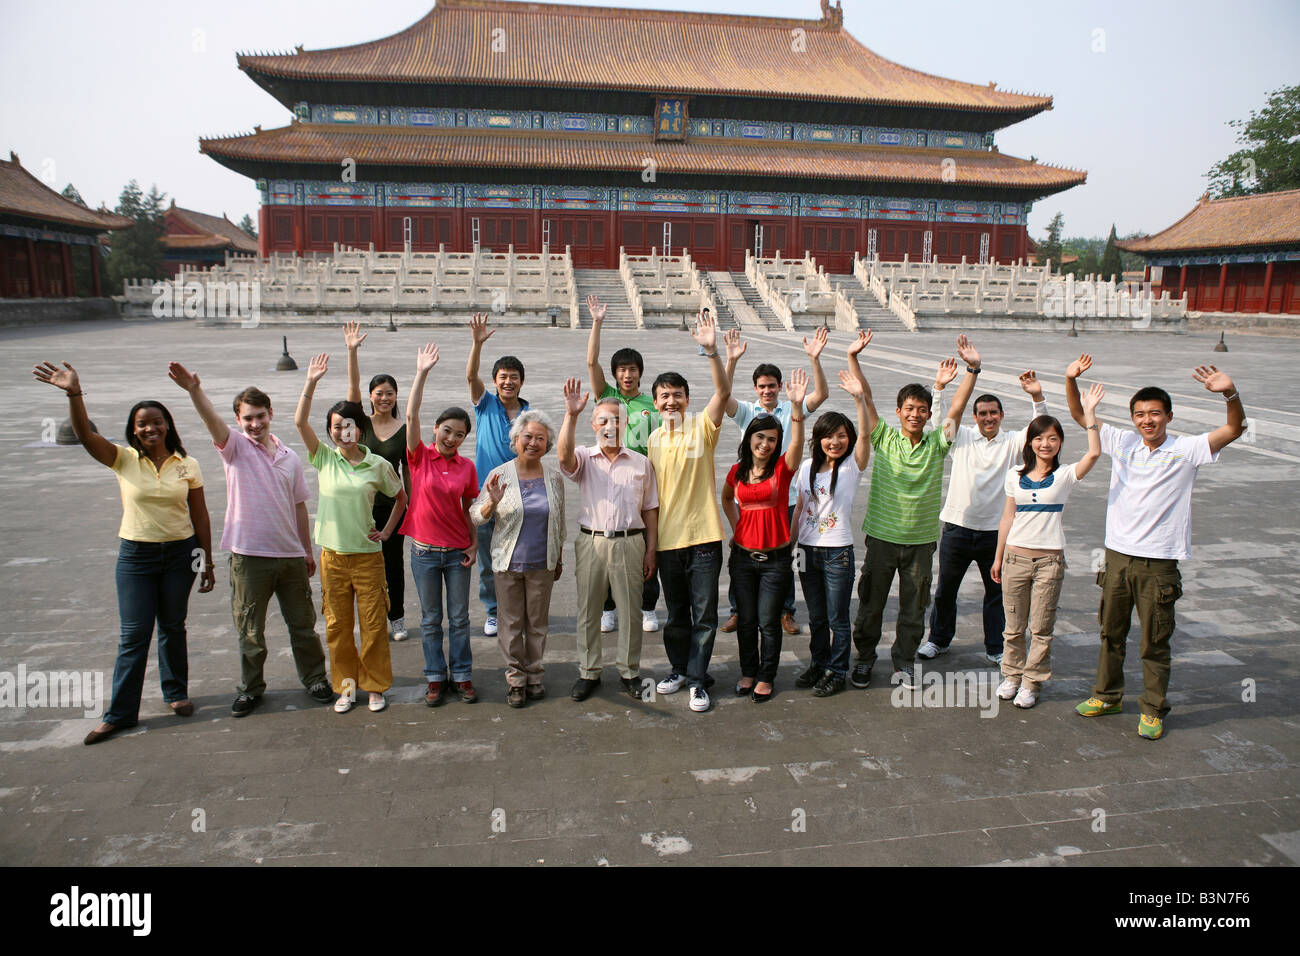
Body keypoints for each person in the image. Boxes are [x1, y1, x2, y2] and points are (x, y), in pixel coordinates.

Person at [35, 361, 214, 745]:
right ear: (133, 429)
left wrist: (206, 562)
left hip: (181, 555)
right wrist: (74, 393)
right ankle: (119, 714)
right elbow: (84, 435)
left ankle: (175, 692)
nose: (150, 428)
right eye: (142, 424)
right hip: (137, 557)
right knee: (134, 634)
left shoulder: (188, 465)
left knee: (173, 626)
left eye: (157, 421)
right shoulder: (122, 459)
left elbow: (200, 515)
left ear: (168, 424)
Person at [1066, 356, 1245, 740]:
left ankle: (1153, 708)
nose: (1147, 421)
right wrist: (1070, 378)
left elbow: (1234, 428)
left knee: (1153, 640)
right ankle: (1107, 694)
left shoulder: (1188, 449)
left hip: (1159, 563)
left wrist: (1229, 392)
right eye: (1140, 414)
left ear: (1169, 416)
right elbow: (1080, 415)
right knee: (1110, 632)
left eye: (1155, 414)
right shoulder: (1124, 442)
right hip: (1116, 557)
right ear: (1132, 418)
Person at [168, 363, 333, 717]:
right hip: (249, 556)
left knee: (303, 625)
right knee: (250, 629)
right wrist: (195, 391)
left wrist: (307, 550)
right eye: (247, 419)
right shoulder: (235, 449)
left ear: (271, 413)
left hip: (289, 556)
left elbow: (300, 507)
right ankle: (251, 688)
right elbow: (211, 421)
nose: (255, 424)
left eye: (260, 416)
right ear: (238, 422)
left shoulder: (289, 457)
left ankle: (316, 678)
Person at [849, 332, 982, 689]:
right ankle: (863, 660)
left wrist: (973, 369)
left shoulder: (939, 443)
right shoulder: (884, 437)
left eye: (922, 410)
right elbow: (866, 396)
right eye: (909, 408)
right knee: (871, 606)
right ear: (899, 412)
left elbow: (954, 408)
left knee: (913, 610)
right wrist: (853, 357)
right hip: (881, 539)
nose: (916, 414)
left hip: (921, 544)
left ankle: (903, 663)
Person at [295, 354, 407, 715]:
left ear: (360, 428)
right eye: (335, 426)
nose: (342, 432)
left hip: (367, 557)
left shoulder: (378, 464)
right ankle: (346, 687)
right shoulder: (324, 458)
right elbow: (299, 421)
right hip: (333, 557)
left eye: (348, 426)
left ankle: (374, 686)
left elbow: (401, 497)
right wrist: (311, 382)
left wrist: (387, 532)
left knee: (373, 626)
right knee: (337, 626)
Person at [918, 370, 1048, 665]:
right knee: (946, 590)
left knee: (996, 593)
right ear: (974, 417)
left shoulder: (1013, 442)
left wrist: (1037, 397)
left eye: (993, 413)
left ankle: (994, 646)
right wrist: (939, 389)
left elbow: (1039, 431)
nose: (988, 418)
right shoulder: (962, 438)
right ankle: (937, 640)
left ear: (1001, 415)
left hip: (996, 534)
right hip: (957, 528)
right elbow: (939, 424)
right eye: (982, 413)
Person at [990, 384, 1104, 709]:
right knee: (1013, 627)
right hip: (1015, 558)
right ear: (1030, 442)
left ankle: (1032, 682)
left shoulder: (1065, 475)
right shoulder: (1014, 474)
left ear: (1060, 443)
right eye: (1039, 438)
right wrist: (998, 558)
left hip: (1049, 562)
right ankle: (1011, 676)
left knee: (1041, 628)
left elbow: (1094, 453)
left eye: (1052, 438)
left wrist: (1090, 413)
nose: (1045, 443)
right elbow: (1007, 518)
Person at [646, 309, 732, 714]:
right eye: (663, 396)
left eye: (677, 394)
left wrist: (713, 352)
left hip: (703, 540)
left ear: (687, 399)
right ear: (656, 402)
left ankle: (699, 681)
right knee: (676, 614)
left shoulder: (702, 428)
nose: (670, 401)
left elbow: (722, 393)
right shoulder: (654, 440)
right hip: (667, 540)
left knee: (705, 615)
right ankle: (679, 668)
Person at [720, 326, 829, 636]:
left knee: (784, 555)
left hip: (785, 495)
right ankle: (739, 610)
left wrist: (815, 359)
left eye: (771, 386)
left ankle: (786, 611)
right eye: (762, 386)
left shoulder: (790, 406)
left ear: (780, 386)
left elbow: (820, 395)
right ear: (755, 388)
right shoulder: (746, 413)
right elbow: (723, 395)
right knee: (743, 555)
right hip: (751, 497)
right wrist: (731, 361)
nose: (767, 391)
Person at [557, 378, 660, 701]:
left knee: (630, 611)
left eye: (616, 420)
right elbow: (563, 458)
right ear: (593, 424)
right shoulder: (585, 458)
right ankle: (589, 671)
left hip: (631, 542)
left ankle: (630, 671)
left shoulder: (641, 463)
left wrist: (651, 550)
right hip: (592, 542)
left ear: (625, 423)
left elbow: (650, 510)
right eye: (603, 420)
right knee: (588, 610)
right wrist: (571, 415)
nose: (610, 426)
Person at [721, 370, 808, 702]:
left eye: (772, 439)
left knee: (768, 622)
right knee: (746, 621)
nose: (765, 444)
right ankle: (748, 671)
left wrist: (797, 408)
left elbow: (797, 443)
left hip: (775, 559)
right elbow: (727, 498)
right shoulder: (737, 470)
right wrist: (736, 527)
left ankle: (766, 676)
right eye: (759, 438)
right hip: (743, 558)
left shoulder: (783, 470)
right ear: (749, 440)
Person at [401, 343, 479, 708]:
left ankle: (461, 674)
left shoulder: (467, 468)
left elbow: (469, 508)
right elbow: (411, 414)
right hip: (424, 553)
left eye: (459, 434)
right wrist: (422, 372)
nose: (451, 438)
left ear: (465, 439)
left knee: (460, 618)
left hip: (457, 553)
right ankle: (435, 676)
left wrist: (474, 543)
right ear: (436, 430)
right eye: (447, 431)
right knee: (432, 619)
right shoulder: (420, 457)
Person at [471, 410, 566, 708]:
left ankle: (535, 675)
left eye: (540, 438)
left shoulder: (553, 478)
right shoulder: (499, 475)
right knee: (511, 624)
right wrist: (491, 505)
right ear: (516, 440)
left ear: (548, 444)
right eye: (528, 437)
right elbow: (475, 516)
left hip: (542, 563)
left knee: (537, 624)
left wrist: (559, 557)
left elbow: (560, 521)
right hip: (507, 563)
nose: (534, 442)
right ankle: (516, 679)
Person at [792, 363, 872, 698]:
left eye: (842, 436)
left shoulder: (853, 466)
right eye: (829, 435)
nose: (835, 441)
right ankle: (819, 662)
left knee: (838, 618)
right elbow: (800, 506)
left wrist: (860, 399)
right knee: (816, 615)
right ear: (819, 438)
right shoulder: (808, 466)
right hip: (806, 550)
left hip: (838, 551)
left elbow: (867, 435)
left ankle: (838, 670)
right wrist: (790, 544)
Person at [585, 293, 662, 634]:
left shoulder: (653, 402)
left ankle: (647, 606)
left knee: (646, 542)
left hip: (643, 479)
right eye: (621, 370)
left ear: (640, 373)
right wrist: (597, 323)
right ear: (615, 374)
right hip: (608, 478)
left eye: (632, 369)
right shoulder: (607, 399)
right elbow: (590, 363)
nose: (627, 374)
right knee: (608, 543)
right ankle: (608, 607)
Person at [344, 320, 412, 642]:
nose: (384, 398)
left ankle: (396, 616)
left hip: (392, 506)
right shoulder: (361, 424)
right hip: (361, 506)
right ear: (371, 397)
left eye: (389, 393)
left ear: (396, 396)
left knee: (393, 564)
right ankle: (369, 617)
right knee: (363, 564)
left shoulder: (403, 427)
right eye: (379, 393)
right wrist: (352, 351)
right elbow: (352, 390)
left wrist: (411, 503)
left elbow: (407, 469)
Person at [466, 313, 528, 639]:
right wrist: (477, 344)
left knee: (517, 555)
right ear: (495, 382)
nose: (508, 382)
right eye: (503, 377)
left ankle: (515, 608)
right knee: (489, 559)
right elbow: (470, 375)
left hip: (518, 496)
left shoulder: (529, 414)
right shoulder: (485, 404)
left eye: (514, 377)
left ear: (521, 381)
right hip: (486, 496)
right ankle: (492, 611)